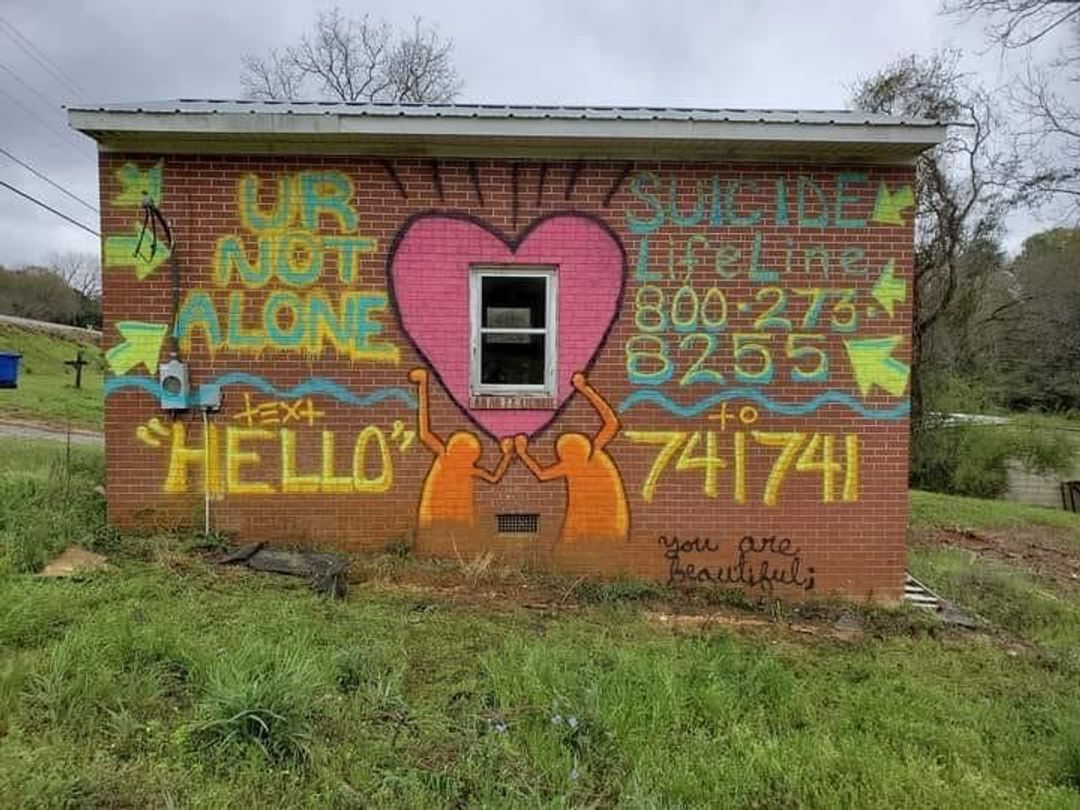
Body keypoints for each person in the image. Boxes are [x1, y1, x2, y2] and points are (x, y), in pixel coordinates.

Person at [515, 372, 629, 543]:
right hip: (607, 520)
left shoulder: (573, 463)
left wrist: (523, 452)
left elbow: (542, 474)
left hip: (598, 519)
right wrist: (584, 389)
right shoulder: (593, 451)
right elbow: (611, 422)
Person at [409, 368, 513, 528]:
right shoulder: (457, 463)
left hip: (440, 520)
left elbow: (425, 433)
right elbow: (494, 477)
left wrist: (423, 385)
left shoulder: (448, 458)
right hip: (439, 518)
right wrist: (506, 455)